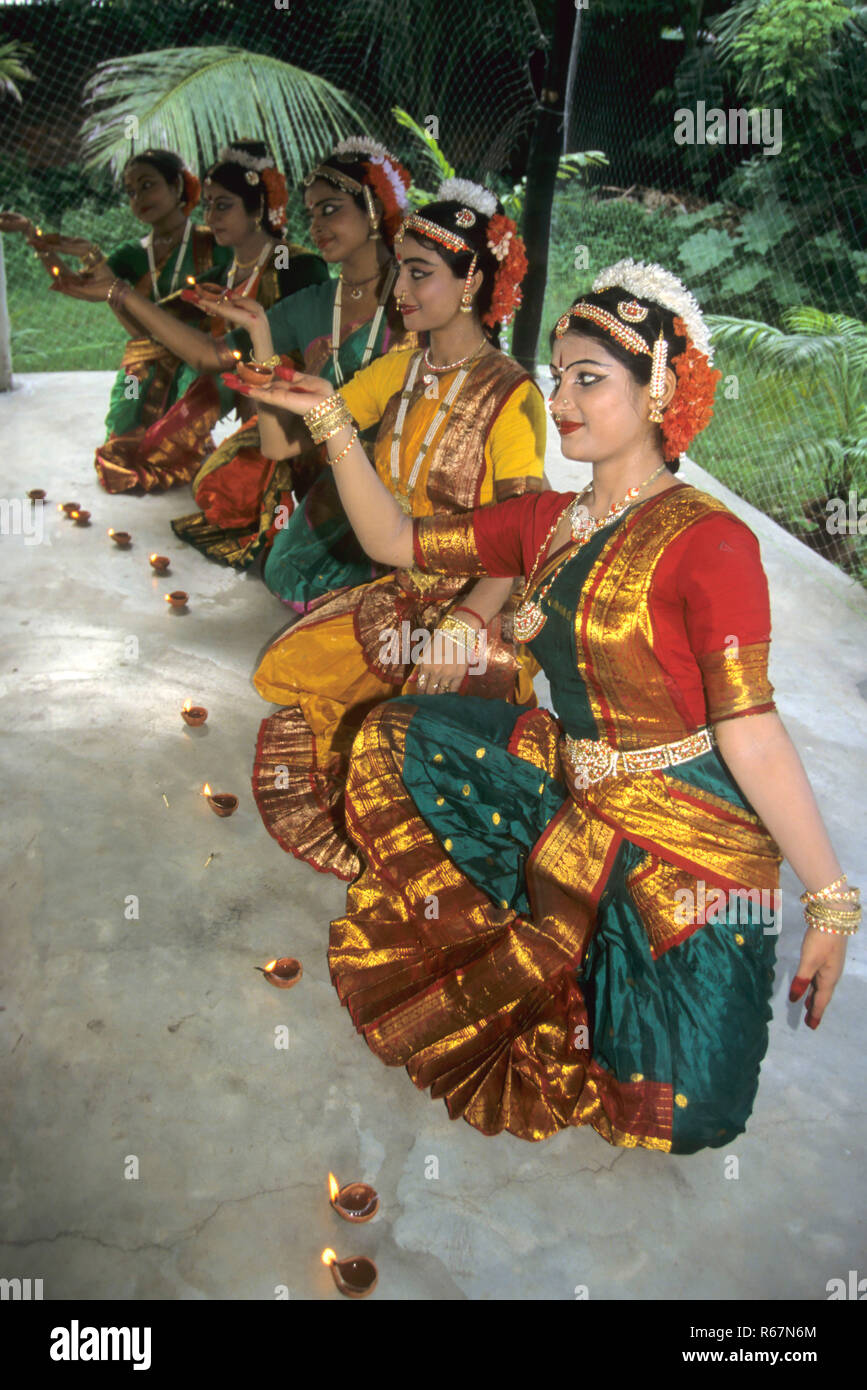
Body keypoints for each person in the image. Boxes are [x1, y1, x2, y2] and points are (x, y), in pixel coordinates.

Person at [246, 259, 858, 1153]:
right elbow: (391, 538)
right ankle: (560, 916)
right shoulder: (546, 524)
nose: (561, 398)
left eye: (588, 378)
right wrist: (331, 418)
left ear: (658, 394)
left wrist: (832, 901)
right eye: (557, 374)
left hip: (688, 834)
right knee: (394, 739)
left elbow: (750, 730)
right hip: (573, 785)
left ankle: (604, 926)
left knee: (685, 1115)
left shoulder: (710, 543)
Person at [244, 179, 546, 881]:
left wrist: (466, 619)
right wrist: (263, 358)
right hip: (400, 592)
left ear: (472, 279)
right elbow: (283, 447)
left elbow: (523, 541)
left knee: (408, 794)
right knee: (299, 685)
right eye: (399, 270)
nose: (399, 290)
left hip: (477, 615)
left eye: (419, 273)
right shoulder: (402, 367)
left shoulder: (511, 397)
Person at [170, 138, 415, 579]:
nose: (316, 225)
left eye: (330, 209)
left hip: (405, 471)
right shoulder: (316, 301)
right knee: (286, 573)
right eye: (309, 213)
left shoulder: (415, 296)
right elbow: (217, 360)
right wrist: (259, 330)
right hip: (328, 459)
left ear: (374, 210)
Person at [45, 142, 327, 494]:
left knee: (220, 486)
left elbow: (311, 360)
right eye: (208, 206)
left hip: (293, 414)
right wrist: (107, 285)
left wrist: (118, 291)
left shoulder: (296, 266)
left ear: (257, 208)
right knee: (157, 374)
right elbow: (154, 328)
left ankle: (256, 460)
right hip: (231, 378)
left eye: (223, 206)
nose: (210, 218)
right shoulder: (221, 275)